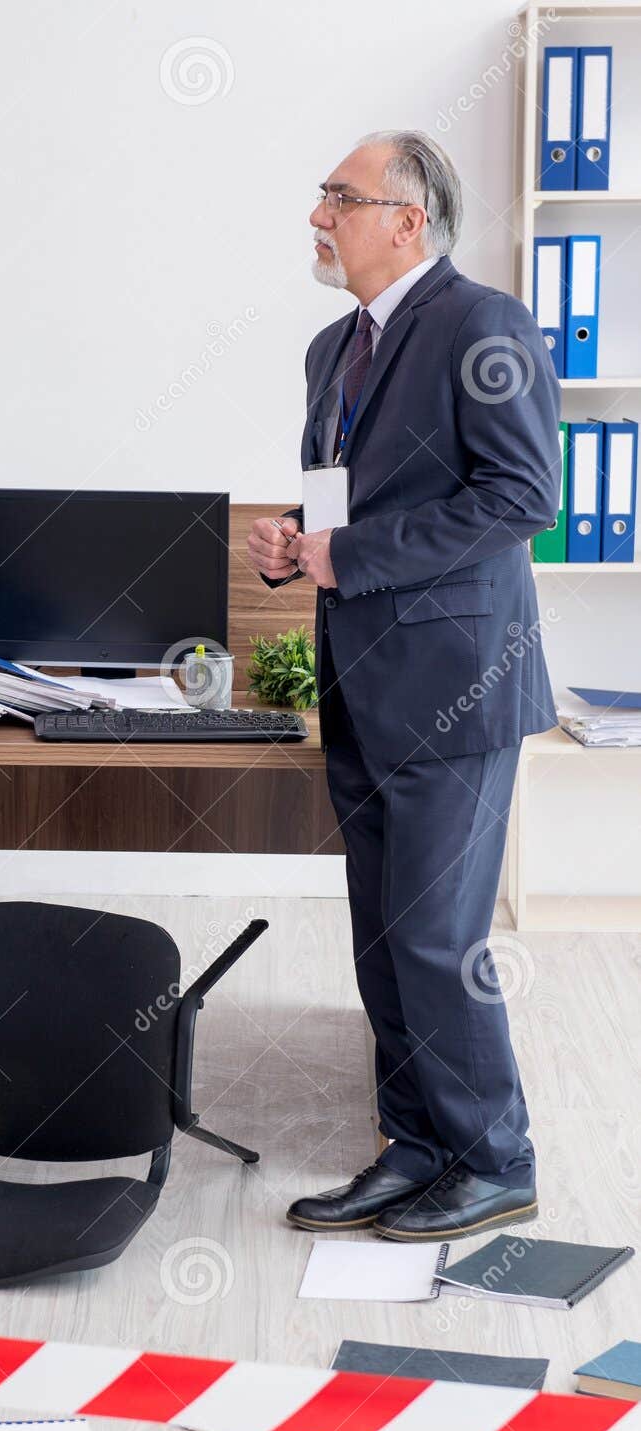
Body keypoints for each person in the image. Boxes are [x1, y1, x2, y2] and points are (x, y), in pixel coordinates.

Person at [248, 130, 559, 1242]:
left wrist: (351, 555)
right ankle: (417, 1146)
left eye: (338, 196)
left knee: (434, 938)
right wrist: (295, 544)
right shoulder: (333, 346)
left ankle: (495, 1159)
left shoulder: (483, 325)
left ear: (405, 220)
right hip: (360, 684)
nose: (317, 216)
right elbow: (351, 500)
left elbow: (521, 497)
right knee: (384, 937)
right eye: (321, 195)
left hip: (455, 690)